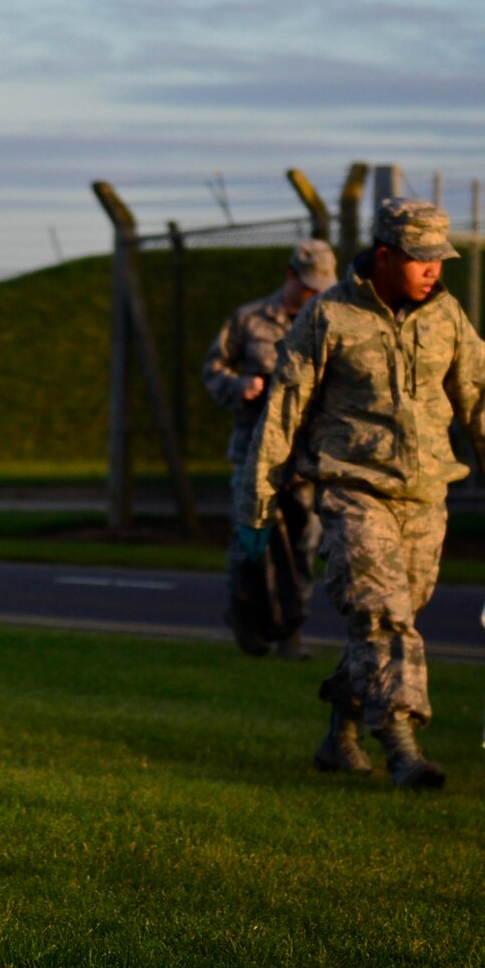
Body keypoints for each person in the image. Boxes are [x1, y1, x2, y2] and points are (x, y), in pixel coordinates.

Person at [238, 199, 485, 791]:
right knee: (383, 614)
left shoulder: (448, 317)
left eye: (441, 258)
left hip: (427, 497)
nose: (435, 269)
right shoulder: (328, 316)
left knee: (391, 617)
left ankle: (340, 736)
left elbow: (483, 401)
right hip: (354, 489)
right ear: (384, 256)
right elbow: (285, 407)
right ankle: (404, 747)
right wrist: (257, 497)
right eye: (421, 258)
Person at [202, 238, 337, 661]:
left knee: (303, 543)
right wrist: (238, 386)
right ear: (290, 274)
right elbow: (213, 367)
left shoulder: (333, 322)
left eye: (322, 286)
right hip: (253, 451)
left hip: (307, 455)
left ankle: (291, 630)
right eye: (308, 284)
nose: (314, 294)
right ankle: (245, 616)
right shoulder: (249, 319)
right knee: (251, 539)